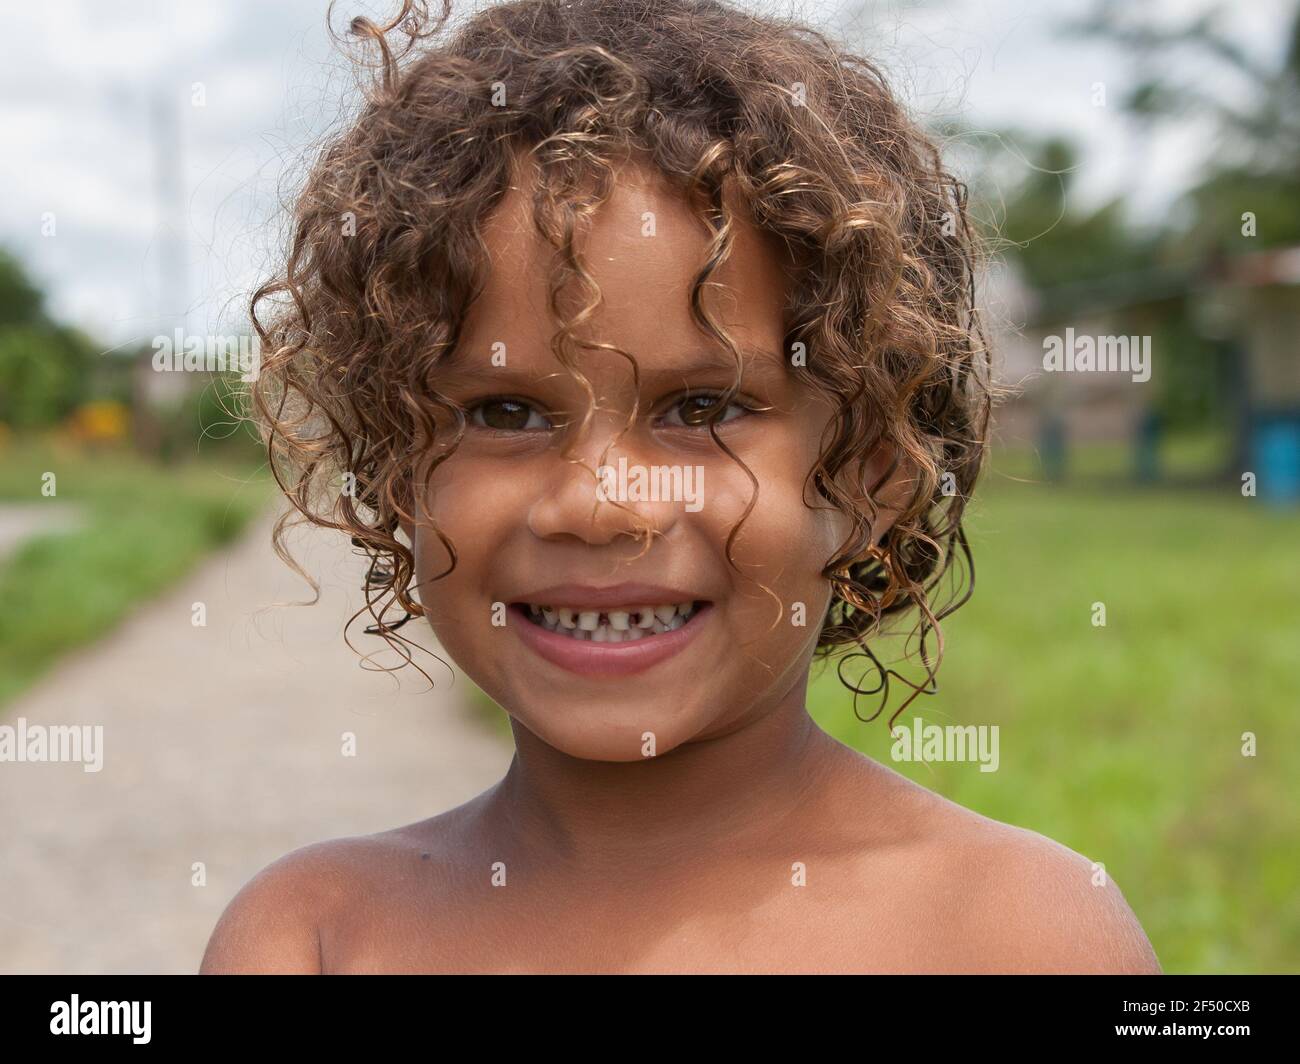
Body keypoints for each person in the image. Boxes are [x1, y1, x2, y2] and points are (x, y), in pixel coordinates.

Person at [200, 0, 1161, 974]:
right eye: (504, 412)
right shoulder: (316, 935)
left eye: (702, 407)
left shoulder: (1020, 932)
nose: (599, 503)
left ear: (869, 474)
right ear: (397, 470)